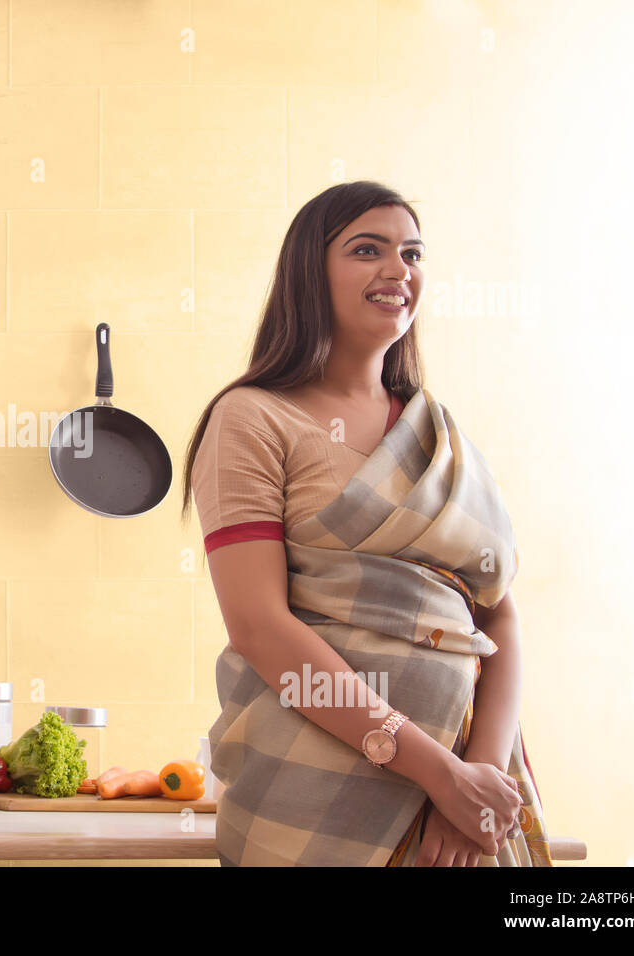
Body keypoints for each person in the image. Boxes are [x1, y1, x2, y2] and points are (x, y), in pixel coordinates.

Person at [181, 180, 551, 867]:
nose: (398, 269)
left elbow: (497, 615)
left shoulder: (438, 441)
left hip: (464, 814)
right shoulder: (254, 418)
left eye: (412, 253)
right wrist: (437, 772)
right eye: (366, 250)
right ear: (308, 272)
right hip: (312, 802)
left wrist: (476, 781)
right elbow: (259, 627)